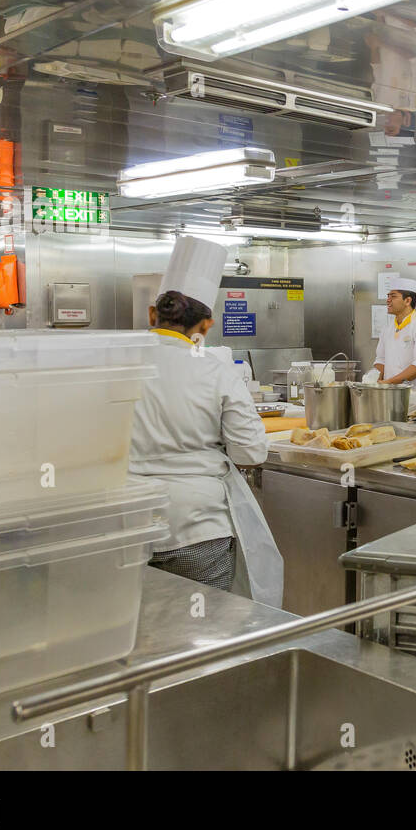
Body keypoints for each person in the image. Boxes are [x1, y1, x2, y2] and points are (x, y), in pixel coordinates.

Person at [128, 235, 284, 606]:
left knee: (137, 630)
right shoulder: (216, 370)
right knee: (202, 633)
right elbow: (250, 453)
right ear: (207, 325)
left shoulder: (116, 363)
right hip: (197, 527)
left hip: (125, 524)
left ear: (153, 315)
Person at [372, 277, 416, 407]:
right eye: (388, 296)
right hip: (391, 397)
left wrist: (389, 382)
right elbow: (381, 360)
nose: (388, 300)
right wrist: (375, 382)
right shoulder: (387, 329)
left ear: (408, 300)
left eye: (393, 296)